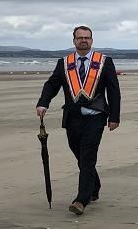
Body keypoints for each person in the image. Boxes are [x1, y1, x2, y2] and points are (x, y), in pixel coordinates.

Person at [36, 25, 121, 216]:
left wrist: (114, 117)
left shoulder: (104, 62)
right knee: (81, 157)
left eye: (87, 38)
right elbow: (52, 85)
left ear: (92, 40)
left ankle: (81, 199)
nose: (84, 40)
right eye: (80, 38)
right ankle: (94, 186)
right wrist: (43, 103)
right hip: (73, 119)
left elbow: (113, 91)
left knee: (88, 157)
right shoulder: (64, 63)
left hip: (95, 118)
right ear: (73, 40)